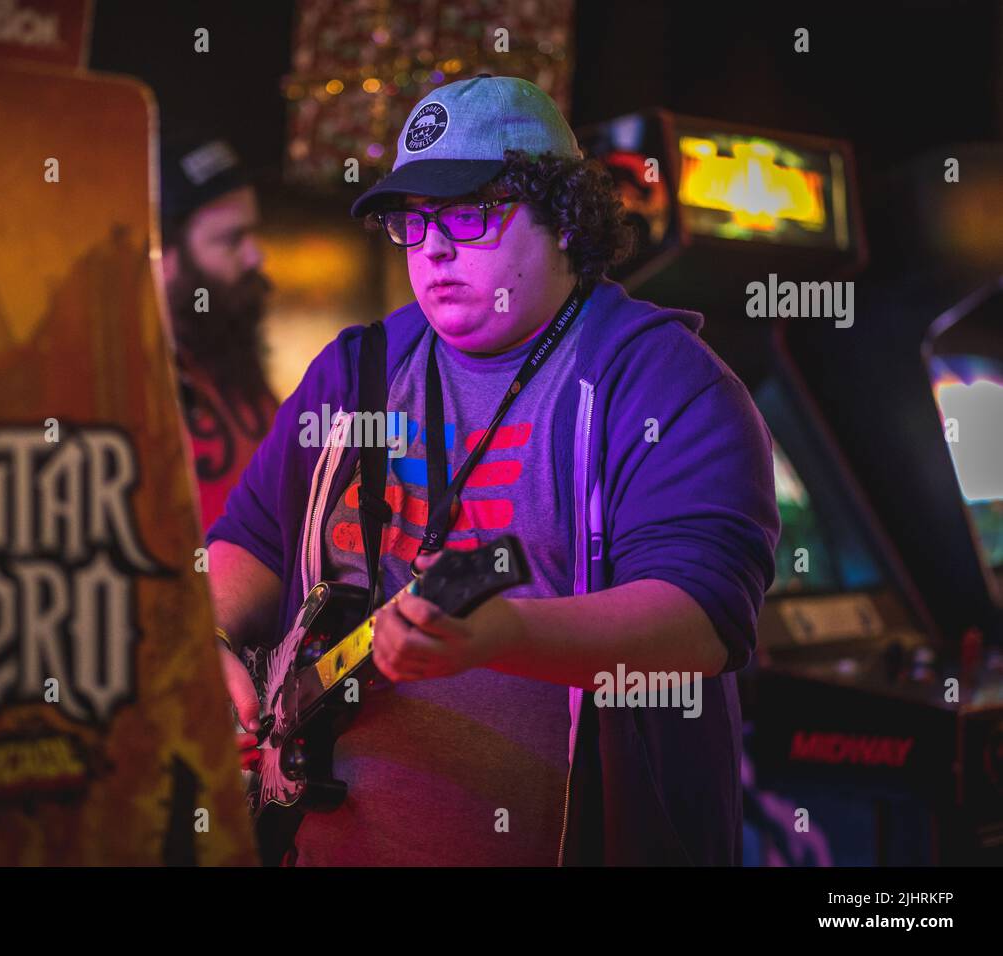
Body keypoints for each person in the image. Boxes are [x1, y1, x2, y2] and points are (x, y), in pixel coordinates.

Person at [207, 75, 780, 866]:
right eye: (415, 222)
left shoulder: (663, 382)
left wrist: (504, 635)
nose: (434, 248)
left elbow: (701, 622)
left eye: (471, 215)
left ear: (567, 220)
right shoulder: (357, 371)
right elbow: (251, 540)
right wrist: (203, 639)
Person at [159, 134, 279, 532]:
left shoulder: (231, 361)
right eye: (232, 238)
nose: (255, 255)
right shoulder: (114, 382)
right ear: (162, 253)